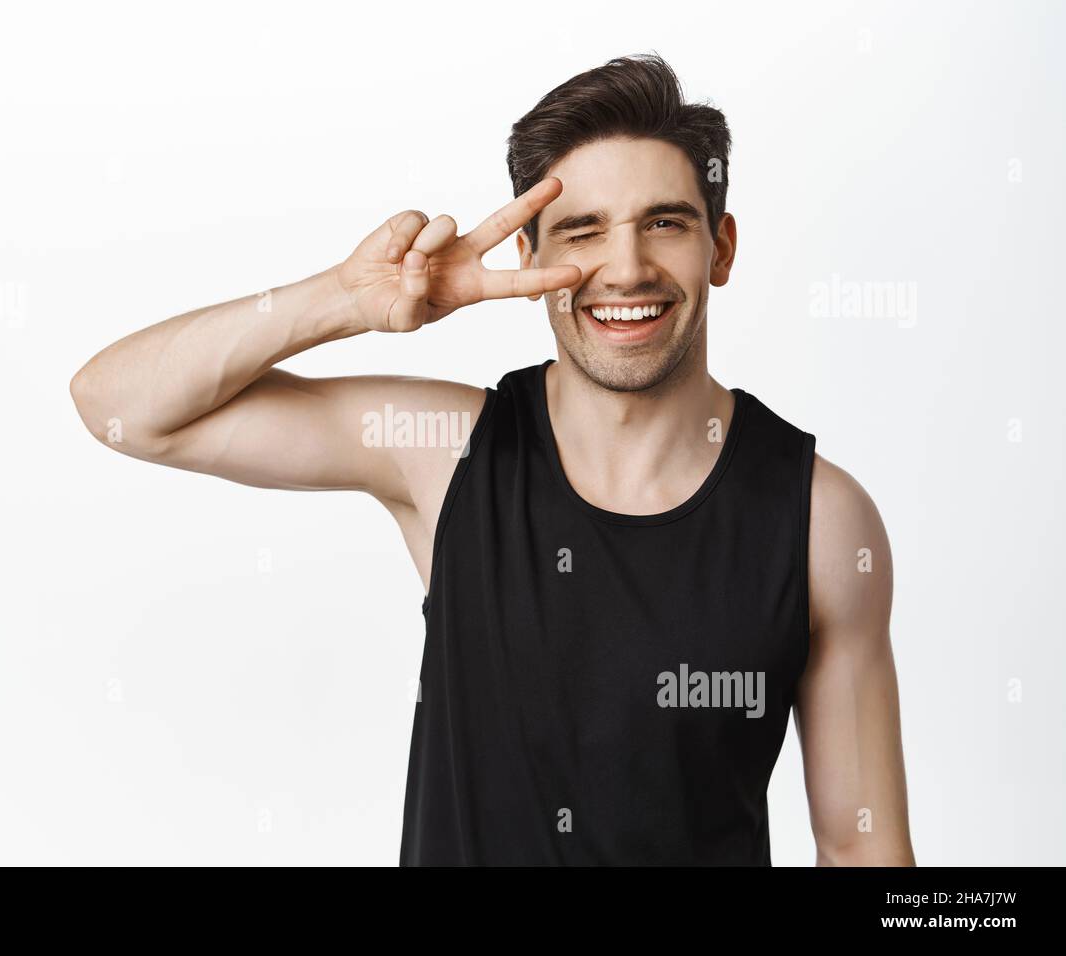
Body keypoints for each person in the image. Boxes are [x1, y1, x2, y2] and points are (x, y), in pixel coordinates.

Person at [70, 54, 915, 866]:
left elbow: (861, 846)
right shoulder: (443, 454)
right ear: (531, 262)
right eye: (582, 231)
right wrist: (343, 300)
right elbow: (122, 409)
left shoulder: (822, 520)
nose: (625, 269)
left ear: (720, 248)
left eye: (664, 222)